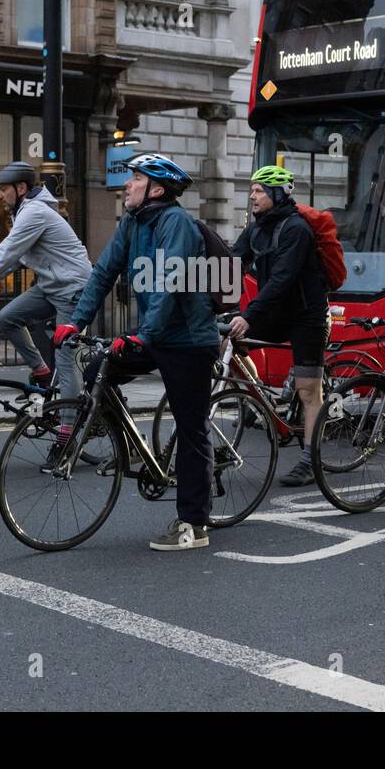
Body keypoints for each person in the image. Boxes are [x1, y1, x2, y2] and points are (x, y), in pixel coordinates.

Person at [53, 153, 219, 551]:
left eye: (135, 179)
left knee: (191, 428)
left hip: (188, 341)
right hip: (155, 334)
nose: (127, 184)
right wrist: (77, 321)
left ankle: (193, 526)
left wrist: (144, 334)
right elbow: (103, 272)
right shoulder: (132, 222)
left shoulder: (176, 223)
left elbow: (170, 282)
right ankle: (123, 442)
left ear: (156, 189)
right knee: (97, 368)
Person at [0, 161, 91, 406]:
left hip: (73, 290)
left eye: (2, 189)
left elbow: (6, 252)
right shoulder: (25, 212)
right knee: (7, 318)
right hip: (52, 287)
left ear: (20, 188)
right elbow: (14, 259)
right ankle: (42, 372)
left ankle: (69, 429)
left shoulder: (34, 212)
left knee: (66, 361)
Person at [229, 165, 330, 487]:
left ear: (276, 194)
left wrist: (248, 315)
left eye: (259, 190)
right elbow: (231, 263)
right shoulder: (257, 228)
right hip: (275, 313)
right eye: (252, 190)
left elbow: (283, 280)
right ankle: (262, 404)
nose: (252, 195)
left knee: (308, 390)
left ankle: (310, 461)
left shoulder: (296, 229)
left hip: (306, 315)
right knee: (224, 343)